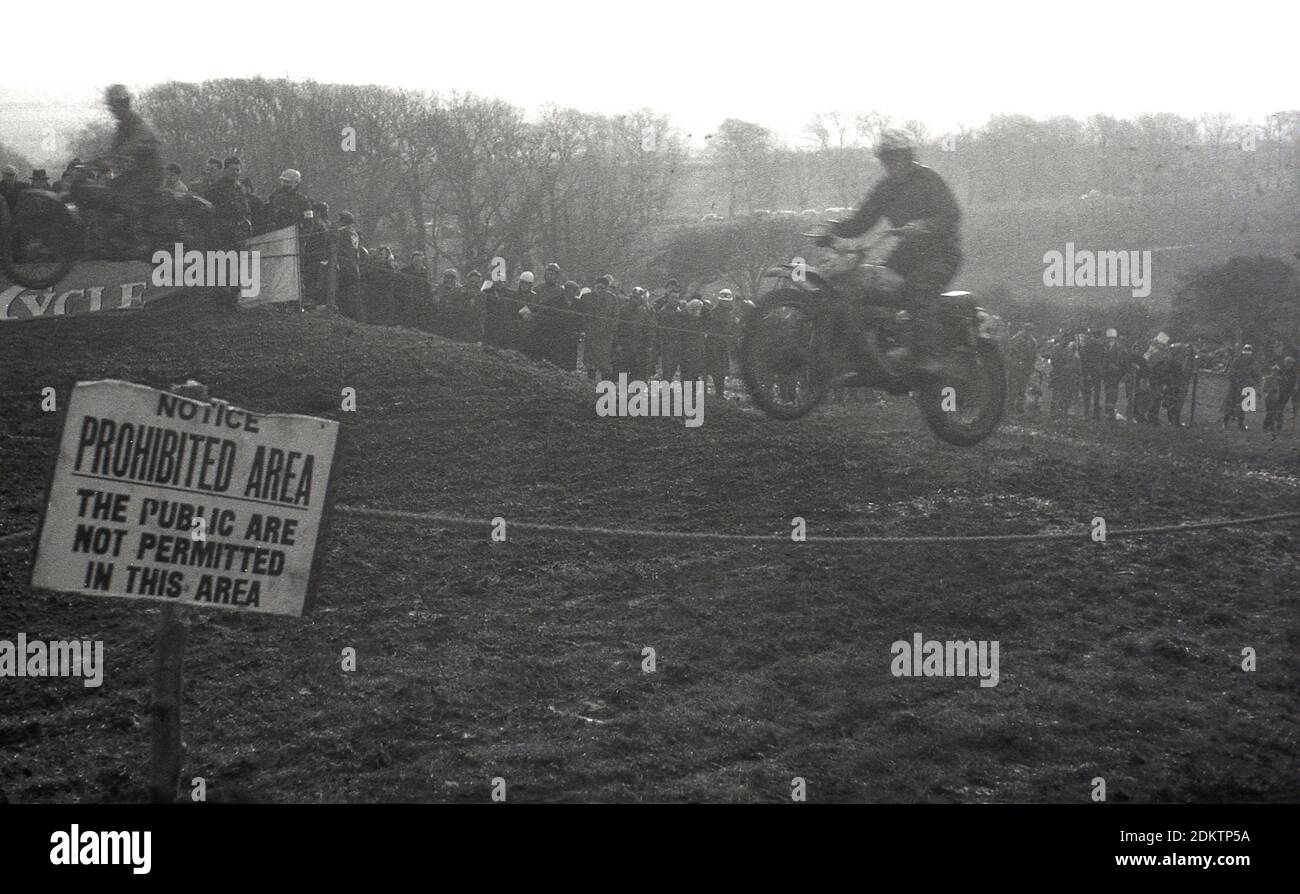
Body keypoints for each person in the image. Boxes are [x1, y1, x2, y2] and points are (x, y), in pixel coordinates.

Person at [814, 128, 962, 376]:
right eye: (887, 158)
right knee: (871, 285)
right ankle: (878, 349)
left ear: (907, 155)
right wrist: (832, 229)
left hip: (941, 253)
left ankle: (929, 355)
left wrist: (925, 225)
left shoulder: (929, 180)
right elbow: (861, 221)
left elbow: (951, 215)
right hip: (907, 254)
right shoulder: (885, 188)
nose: (892, 163)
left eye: (897, 156)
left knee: (916, 288)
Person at [1223, 344, 1259, 430]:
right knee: (1229, 405)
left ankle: (1240, 424)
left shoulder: (1253, 363)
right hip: (1235, 387)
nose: (1247, 355)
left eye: (1249, 353)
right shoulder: (1237, 361)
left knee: (1243, 407)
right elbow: (1230, 374)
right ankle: (1225, 423)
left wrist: (1252, 382)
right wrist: (1236, 382)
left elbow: (1257, 376)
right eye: (1246, 353)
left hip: (1246, 387)